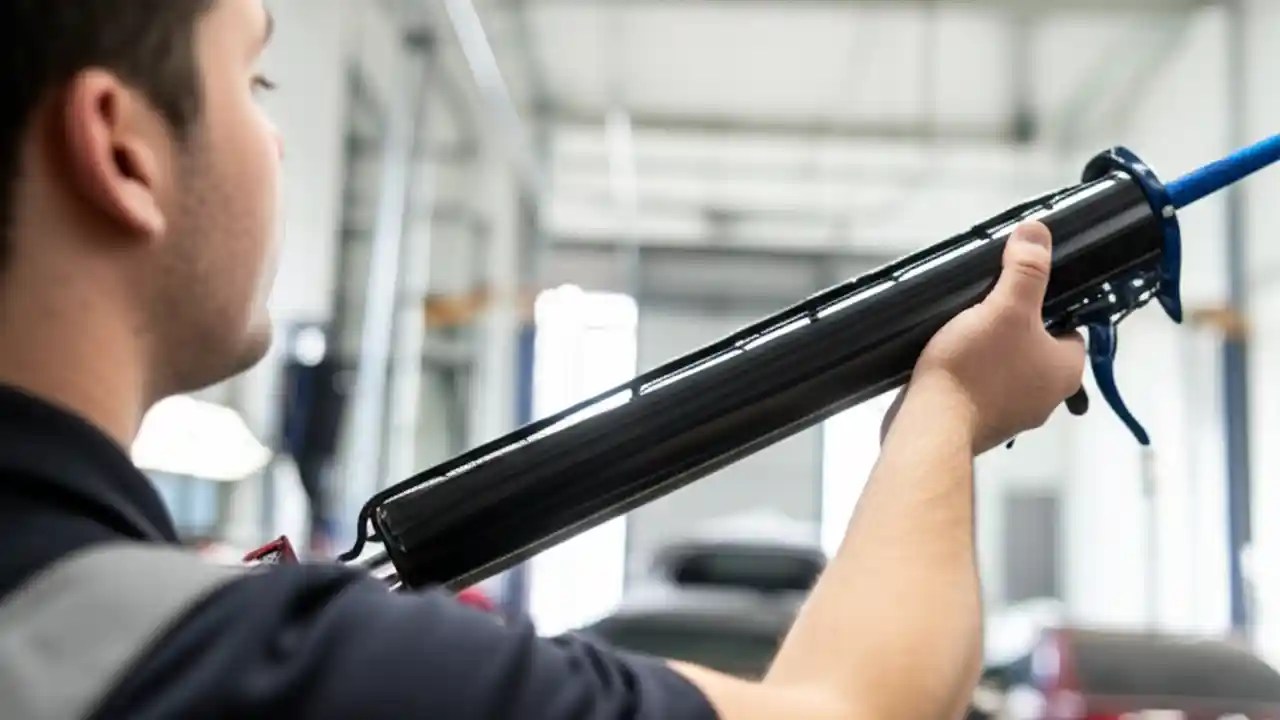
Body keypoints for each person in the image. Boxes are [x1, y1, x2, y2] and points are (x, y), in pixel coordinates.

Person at [0, 1, 1085, 719]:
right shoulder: (252, 670)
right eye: (255, 84)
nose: (274, 139)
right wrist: (950, 406)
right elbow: (853, 711)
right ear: (123, 150)